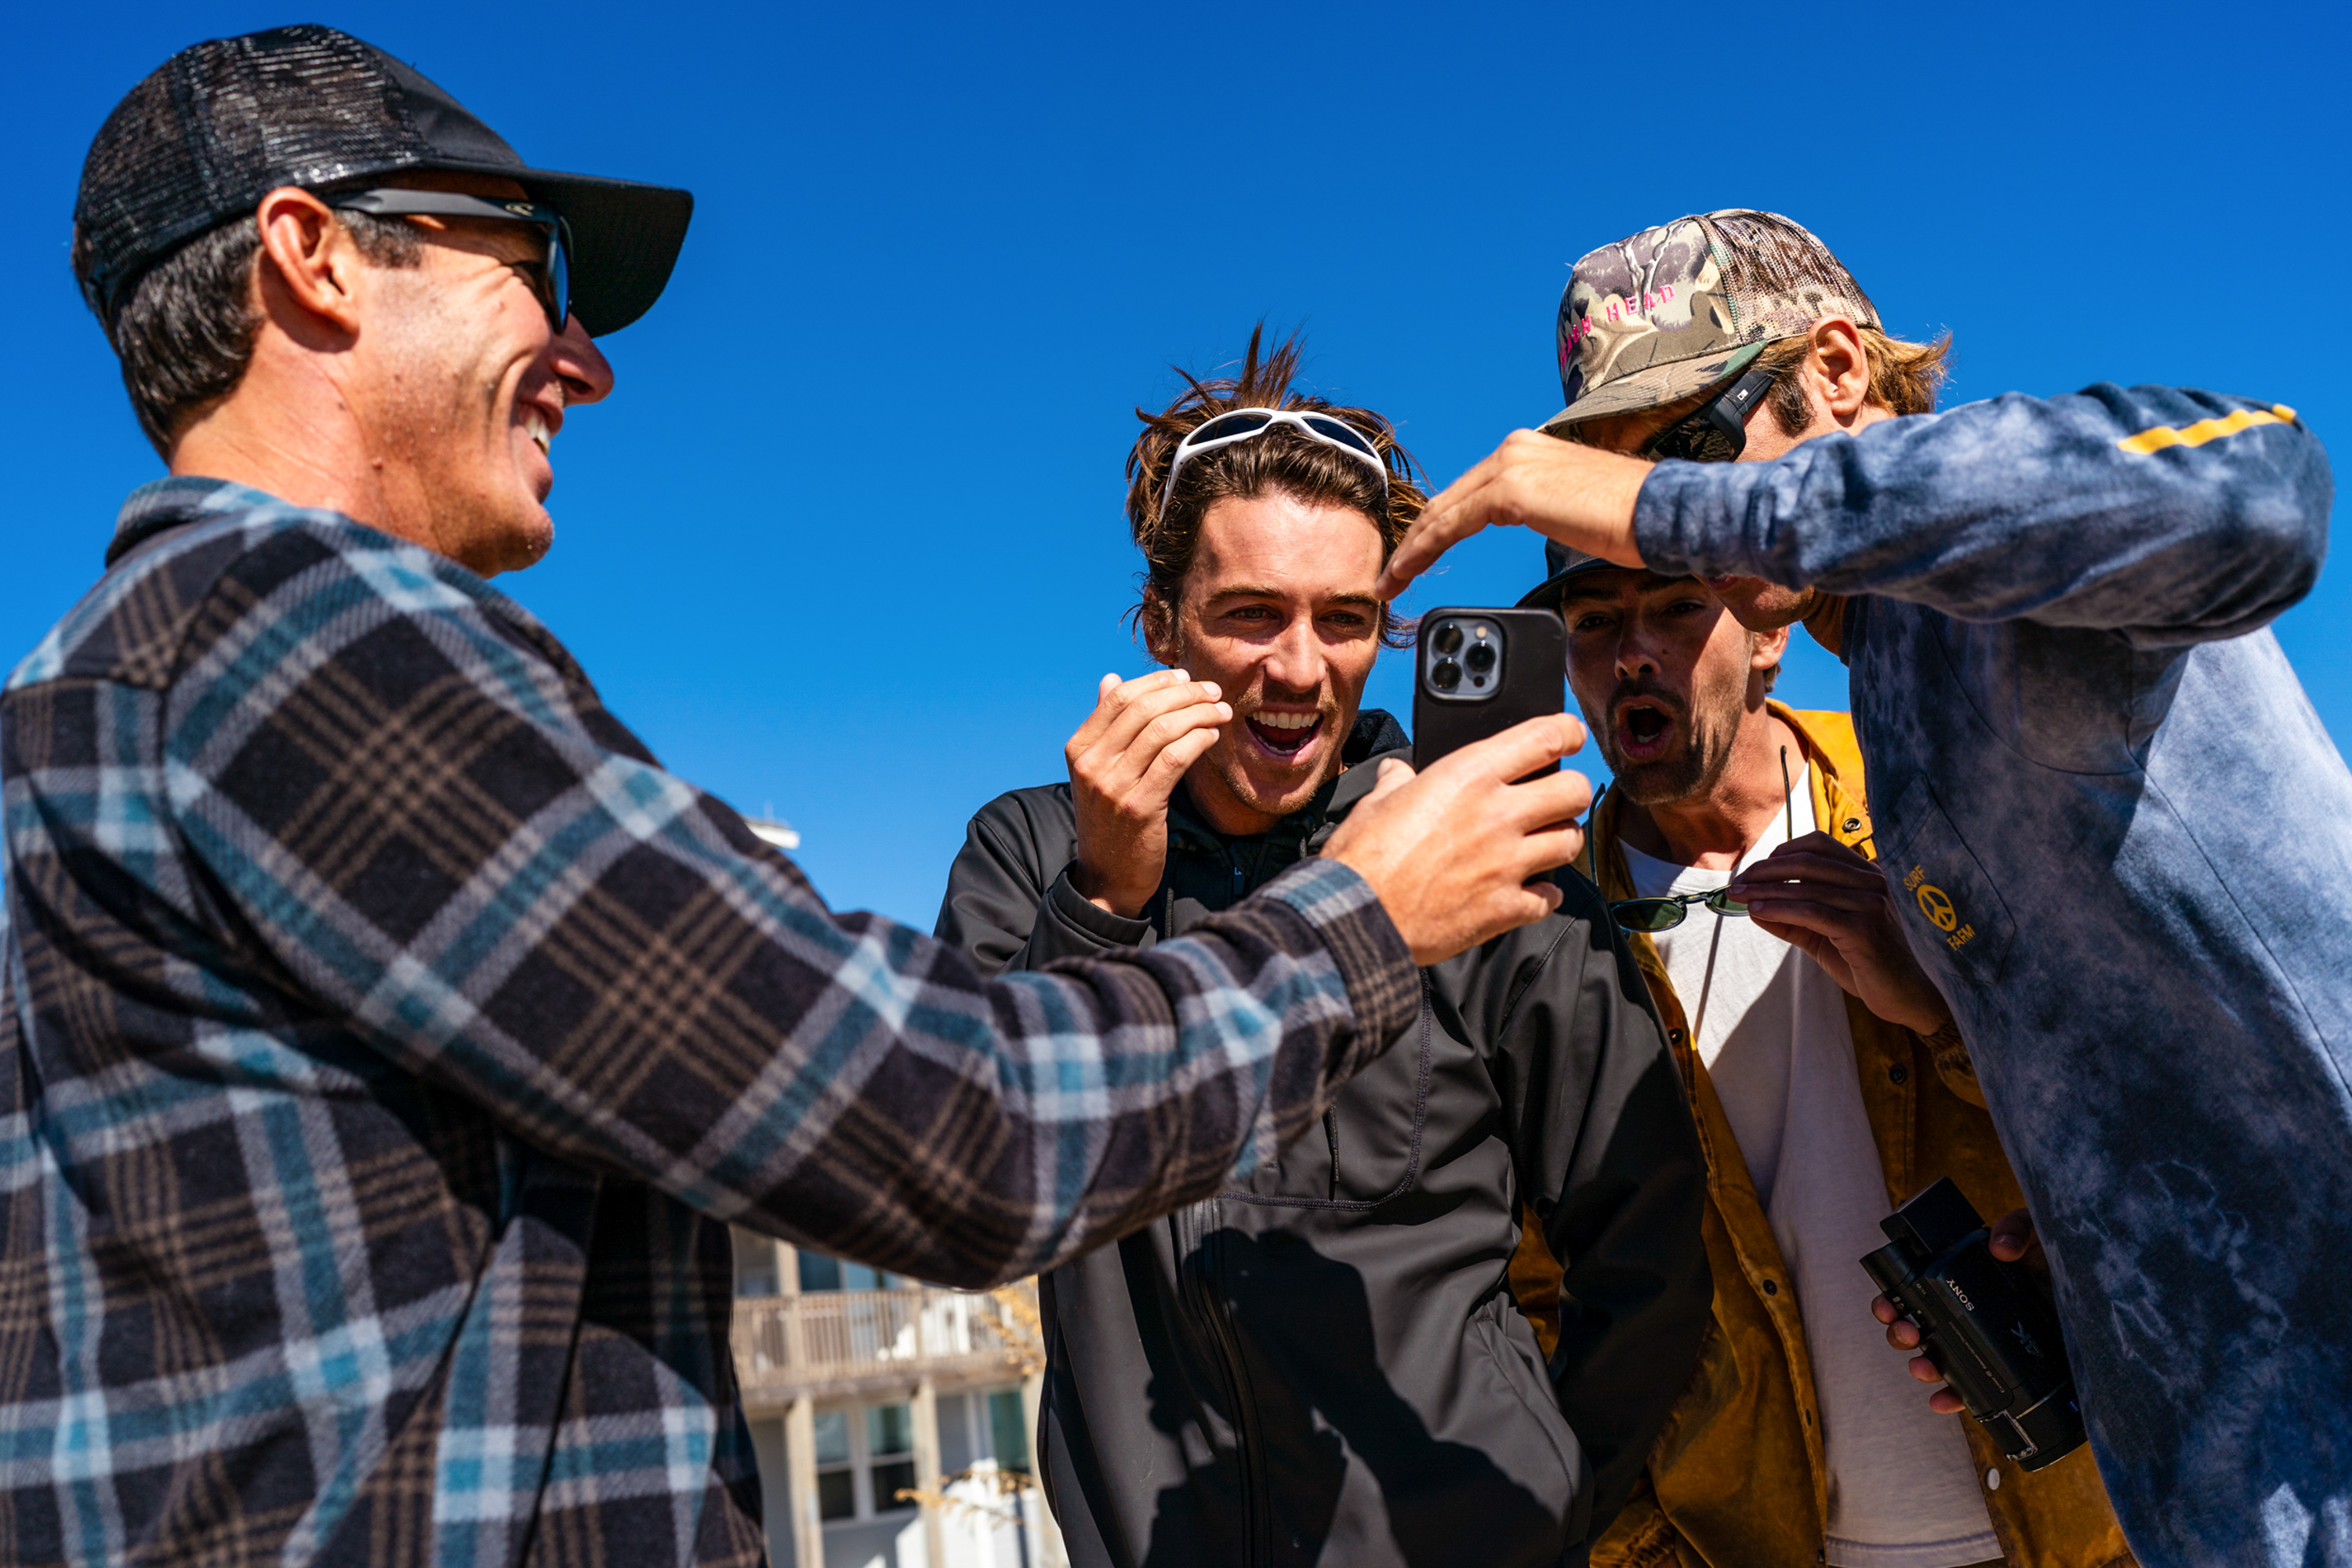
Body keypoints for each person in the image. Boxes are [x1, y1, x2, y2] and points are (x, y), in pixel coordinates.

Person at [0, 31, 1595, 1566]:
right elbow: (958, 1126)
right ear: (312, 255)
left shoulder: (72, 708)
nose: (586, 361)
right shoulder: (315, 653)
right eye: (532, 271)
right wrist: (1360, 926)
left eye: (1346, 619)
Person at [1374, 208, 2343, 1566]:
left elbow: (2265, 488)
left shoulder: (2004, 591)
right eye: (1630, 496)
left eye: (1686, 459)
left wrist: (1676, 509)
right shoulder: (1899, 696)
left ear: (1837, 371)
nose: (1659, 543)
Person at [934, 330, 1711, 1568]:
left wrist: (1545, 1510)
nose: (1301, 670)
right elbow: (981, 1187)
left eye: (1346, 619)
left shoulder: (1481, 852)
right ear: (1162, 620)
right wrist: (1102, 905)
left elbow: (1651, 1251)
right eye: (1251, 615)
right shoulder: (1033, 856)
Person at [1513, 537, 2132, 1566]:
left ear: (1770, 631)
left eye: (1674, 608)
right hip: (1746, 1541)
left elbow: (2143, 1109)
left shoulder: (1942, 799)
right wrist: (1634, 1541)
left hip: (2069, 1525)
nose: (1630, 654)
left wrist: (1939, 1002)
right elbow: (1531, 1286)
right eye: (1593, 623)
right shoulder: (1540, 916)